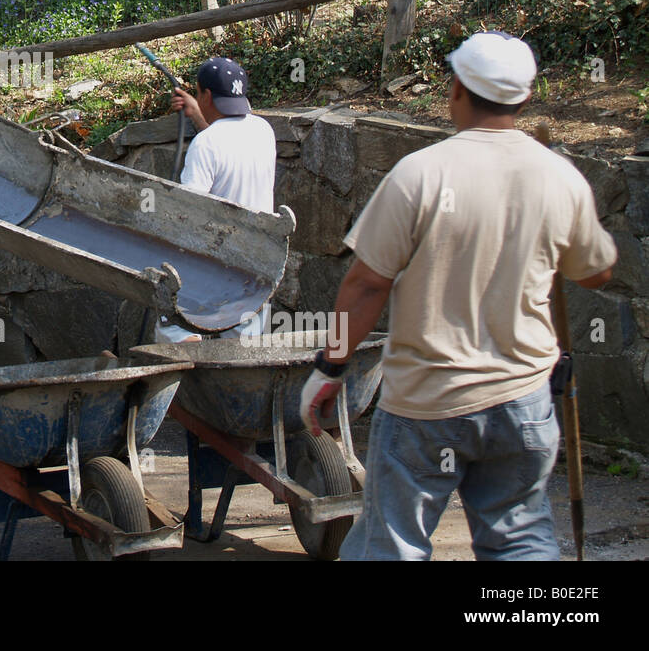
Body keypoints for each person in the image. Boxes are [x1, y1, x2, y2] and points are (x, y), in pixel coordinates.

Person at [300, 31, 617, 561]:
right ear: (525, 98)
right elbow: (597, 273)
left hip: (427, 406)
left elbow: (365, 285)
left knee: (392, 543)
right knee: (520, 539)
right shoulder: (559, 177)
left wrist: (330, 368)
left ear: (457, 91)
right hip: (523, 399)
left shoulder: (420, 175)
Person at [165, 56, 278, 342]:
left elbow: (190, 212)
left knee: (175, 330)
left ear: (208, 95)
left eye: (200, 93)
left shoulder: (206, 144)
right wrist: (198, 113)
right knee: (243, 353)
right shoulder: (264, 131)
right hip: (260, 263)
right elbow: (226, 143)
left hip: (217, 263)